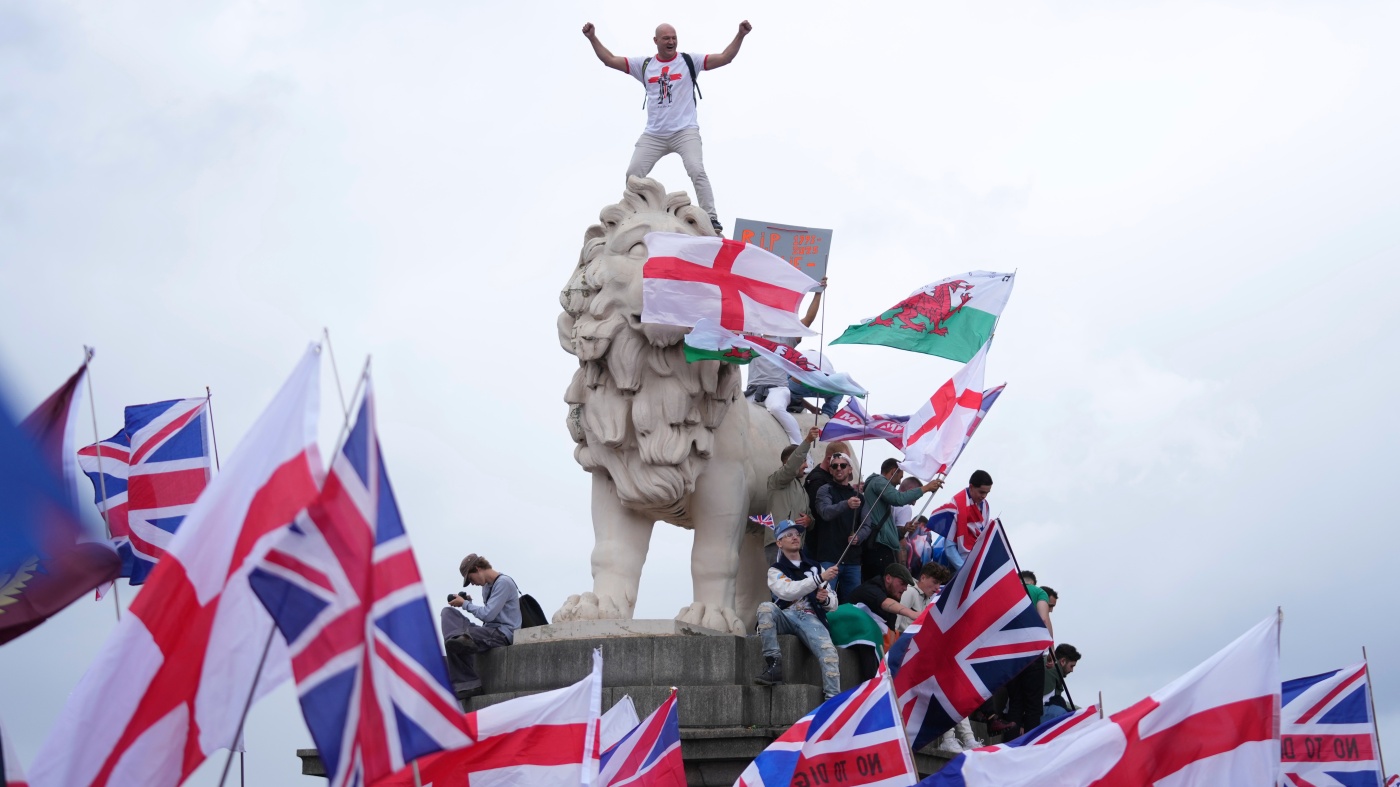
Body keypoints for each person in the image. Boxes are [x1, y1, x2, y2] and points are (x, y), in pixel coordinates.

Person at [582, 20, 751, 233]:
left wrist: (740, 35)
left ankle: (711, 217)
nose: (671, 42)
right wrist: (592, 38)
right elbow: (609, 60)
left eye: (674, 38)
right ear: (656, 41)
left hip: (684, 131)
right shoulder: (644, 66)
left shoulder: (689, 61)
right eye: (666, 38)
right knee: (633, 174)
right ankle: (635, 215)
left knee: (697, 169)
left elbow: (725, 58)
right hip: (654, 134)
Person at [752, 520, 843, 700]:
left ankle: (833, 702)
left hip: (811, 617)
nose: (795, 537)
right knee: (765, 608)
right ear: (779, 543)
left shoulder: (816, 567)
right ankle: (774, 665)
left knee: (830, 653)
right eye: (789, 535)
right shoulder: (775, 570)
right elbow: (788, 591)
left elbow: (834, 603)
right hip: (786, 615)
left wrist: (825, 599)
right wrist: (819, 579)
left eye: (797, 534)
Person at [744, 280, 827, 444]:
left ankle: (801, 451)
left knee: (775, 408)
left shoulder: (785, 337)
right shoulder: (751, 336)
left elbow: (808, 320)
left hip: (778, 389)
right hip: (753, 391)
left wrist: (818, 292)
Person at [441, 554, 521, 702]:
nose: (472, 584)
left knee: (456, 637)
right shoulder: (487, 587)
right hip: (488, 632)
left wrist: (465, 604)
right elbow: (491, 613)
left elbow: (488, 615)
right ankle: (467, 683)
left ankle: (466, 682)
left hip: (502, 634)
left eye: (471, 579)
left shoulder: (504, 583)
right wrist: (468, 602)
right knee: (447, 615)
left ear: (477, 569)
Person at [860, 460, 942, 583]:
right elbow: (898, 498)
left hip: (880, 546)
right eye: (900, 477)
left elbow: (888, 528)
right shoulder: (879, 481)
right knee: (880, 587)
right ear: (893, 471)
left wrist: (903, 530)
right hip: (879, 548)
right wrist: (925, 488)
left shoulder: (878, 488)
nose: (899, 482)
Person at [844, 563, 920, 679]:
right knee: (869, 640)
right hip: (845, 631)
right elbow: (884, 603)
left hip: (864, 638)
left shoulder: (893, 600)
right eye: (902, 583)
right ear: (888, 578)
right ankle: (871, 686)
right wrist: (912, 614)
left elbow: (891, 634)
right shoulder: (871, 588)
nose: (905, 588)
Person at [1001, 570, 1054, 737]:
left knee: (1015, 702)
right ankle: (1030, 746)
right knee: (1033, 705)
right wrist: (1051, 650)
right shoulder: (1039, 592)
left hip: (1010, 654)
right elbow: (1044, 619)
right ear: (1033, 582)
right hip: (1032, 653)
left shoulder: (1006, 592)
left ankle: (1010, 743)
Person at [763, 426, 822, 564]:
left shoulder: (802, 490)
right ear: (790, 461)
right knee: (781, 585)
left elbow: (810, 519)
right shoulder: (776, 480)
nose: (806, 465)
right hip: (779, 544)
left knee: (794, 586)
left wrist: (809, 521)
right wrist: (807, 441)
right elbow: (790, 468)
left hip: (797, 547)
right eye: (803, 461)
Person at [813, 453, 866, 600]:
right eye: (834, 466)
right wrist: (846, 504)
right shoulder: (825, 490)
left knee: (852, 604)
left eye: (843, 465)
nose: (838, 468)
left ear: (850, 469)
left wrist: (859, 537)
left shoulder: (860, 497)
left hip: (853, 561)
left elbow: (867, 524)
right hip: (829, 558)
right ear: (830, 470)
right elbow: (825, 512)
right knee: (825, 601)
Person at [938, 469, 993, 571]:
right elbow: (949, 547)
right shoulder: (955, 506)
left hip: (974, 562)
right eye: (981, 492)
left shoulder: (985, 506)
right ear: (971, 487)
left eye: (987, 493)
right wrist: (964, 571)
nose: (984, 496)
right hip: (955, 567)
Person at [896, 562, 951, 634]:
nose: (937, 587)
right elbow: (896, 622)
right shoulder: (909, 592)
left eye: (939, 583)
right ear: (923, 578)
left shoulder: (928, 597)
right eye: (935, 582)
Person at [1042, 643, 1082, 721]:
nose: (1072, 670)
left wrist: (1080, 711)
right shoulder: (1050, 672)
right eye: (1071, 666)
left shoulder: (1054, 672)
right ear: (1063, 661)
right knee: (1062, 715)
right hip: (1031, 718)